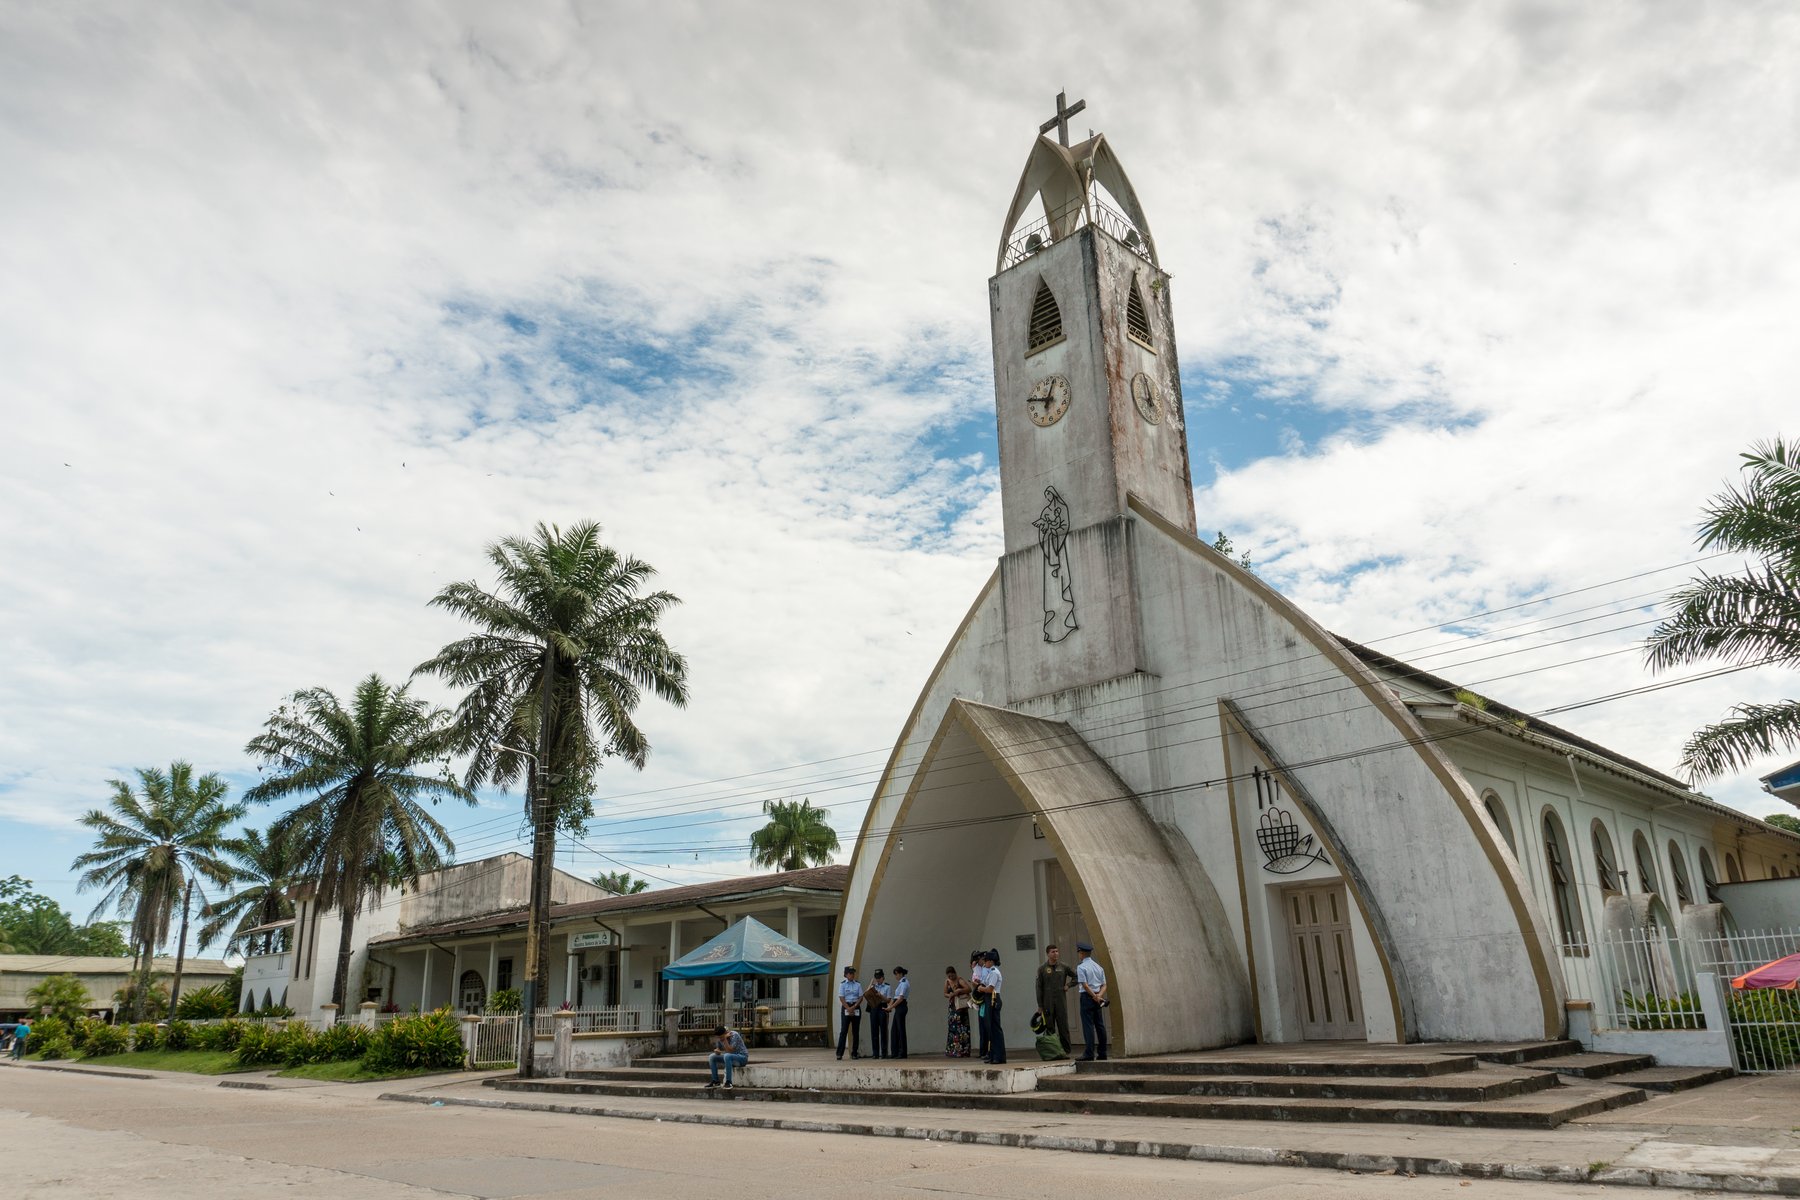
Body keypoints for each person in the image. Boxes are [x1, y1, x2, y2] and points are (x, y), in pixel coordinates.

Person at [1035, 943, 1077, 1059]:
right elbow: (1038, 988)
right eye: (1053, 952)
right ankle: (1052, 1051)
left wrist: (1068, 985)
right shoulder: (1042, 969)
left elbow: (1076, 977)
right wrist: (1040, 1005)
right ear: (1048, 954)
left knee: (1063, 1026)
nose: (1056, 954)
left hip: (1060, 1001)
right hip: (1047, 1002)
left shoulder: (1063, 967)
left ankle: (1066, 1051)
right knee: (1049, 1026)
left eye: (1057, 951)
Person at [1075, 941, 1108, 1061]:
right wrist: (1099, 996)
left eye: (1079, 952)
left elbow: (1085, 985)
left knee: (1088, 1026)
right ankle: (1103, 1053)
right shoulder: (1099, 967)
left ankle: (1089, 1053)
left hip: (1087, 998)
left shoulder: (1081, 967)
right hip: (1098, 998)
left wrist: (1094, 996)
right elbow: (1104, 985)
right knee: (1100, 1025)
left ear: (1081, 953)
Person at [976, 948, 1006, 1064]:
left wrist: (980, 988)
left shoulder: (994, 972)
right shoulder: (990, 971)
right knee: (990, 1028)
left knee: (995, 1028)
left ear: (991, 961)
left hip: (993, 998)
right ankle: (993, 1054)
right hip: (989, 999)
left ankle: (999, 1055)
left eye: (987, 961)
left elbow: (990, 989)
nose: (985, 963)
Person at [705, 1023, 748, 1090]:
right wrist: (717, 1051)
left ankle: (728, 1082)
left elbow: (730, 1051)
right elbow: (718, 1048)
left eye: (721, 1037)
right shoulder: (720, 1037)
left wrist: (724, 1039)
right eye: (718, 1037)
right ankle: (716, 1081)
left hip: (742, 1058)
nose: (720, 1039)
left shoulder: (734, 1035)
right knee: (712, 1057)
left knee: (727, 1056)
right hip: (730, 1058)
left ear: (725, 1033)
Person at [835, 965, 864, 1060]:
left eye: (853, 973)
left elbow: (861, 997)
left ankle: (854, 1053)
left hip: (856, 1006)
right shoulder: (842, 984)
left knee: (856, 1032)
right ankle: (839, 1053)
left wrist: (854, 1006)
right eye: (850, 973)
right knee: (844, 1031)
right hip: (846, 1007)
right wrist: (848, 1008)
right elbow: (841, 997)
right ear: (846, 974)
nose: (852, 975)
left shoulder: (858, 984)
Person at [943, 965, 971, 1058]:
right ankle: (953, 1050)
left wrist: (959, 991)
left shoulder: (960, 980)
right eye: (949, 976)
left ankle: (963, 1050)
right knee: (953, 1028)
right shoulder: (947, 982)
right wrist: (950, 995)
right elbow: (945, 993)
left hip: (961, 1007)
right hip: (952, 1007)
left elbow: (969, 989)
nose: (951, 977)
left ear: (955, 973)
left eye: (952, 975)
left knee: (962, 1028)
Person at [968, 950, 989, 1060]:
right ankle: (982, 1051)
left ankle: (986, 1051)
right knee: (982, 1026)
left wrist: (977, 984)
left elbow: (982, 983)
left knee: (985, 1026)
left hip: (984, 997)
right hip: (980, 999)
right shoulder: (977, 968)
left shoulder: (985, 969)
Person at [867, 969, 891, 1059]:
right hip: (874, 1008)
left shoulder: (887, 986)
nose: (878, 980)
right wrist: (871, 982)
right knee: (874, 1031)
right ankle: (875, 1053)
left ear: (883, 977)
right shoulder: (873, 986)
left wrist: (881, 996)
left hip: (882, 1007)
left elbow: (888, 1000)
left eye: (879, 978)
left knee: (883, 1031)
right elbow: (867, 993)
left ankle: (884, 1053)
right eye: (876, 978)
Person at [887, 966, 910, 1059]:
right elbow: (895, 997)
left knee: (900, 1030)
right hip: (897, 1007)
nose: (895, 976)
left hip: (901, 1006)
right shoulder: (900, 983)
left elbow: (900, 998)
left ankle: (902, 1052)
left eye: (896, 974)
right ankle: (895, 1052)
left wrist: (891, 1006)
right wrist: (890, 1006)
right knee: (894, 1030)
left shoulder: (904, 983)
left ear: (900, 973)